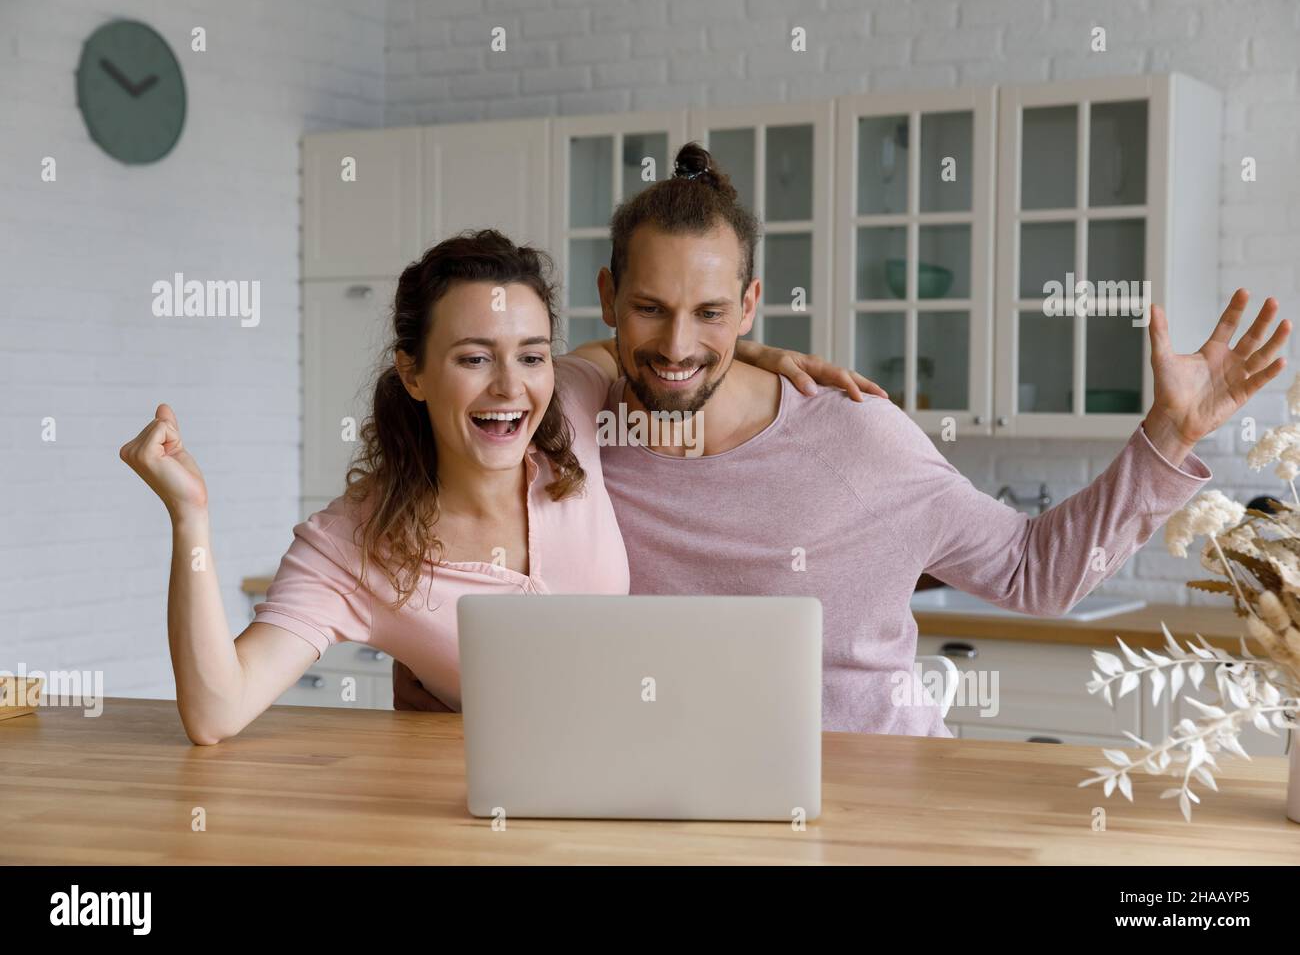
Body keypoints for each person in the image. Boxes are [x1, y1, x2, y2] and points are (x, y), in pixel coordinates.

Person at [395, 142, 1290, 738]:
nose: (674, 345)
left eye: (710, 313)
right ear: (607, 298)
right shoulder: (576, 428)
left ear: (750, 303)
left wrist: (1168, 433)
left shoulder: (860, 438)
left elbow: (1035, 573)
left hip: (888, 799)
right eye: (650, 310)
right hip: (681, 802)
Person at [119, 229, 871, 743]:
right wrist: (191, 518)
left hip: (646, 772)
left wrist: (761, 349)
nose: (511, 388)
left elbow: (651, 352)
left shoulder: (572, 412)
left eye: (532, 355)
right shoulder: (355, 546)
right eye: (474, 359)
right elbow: (217, 711)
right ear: (412, 371)